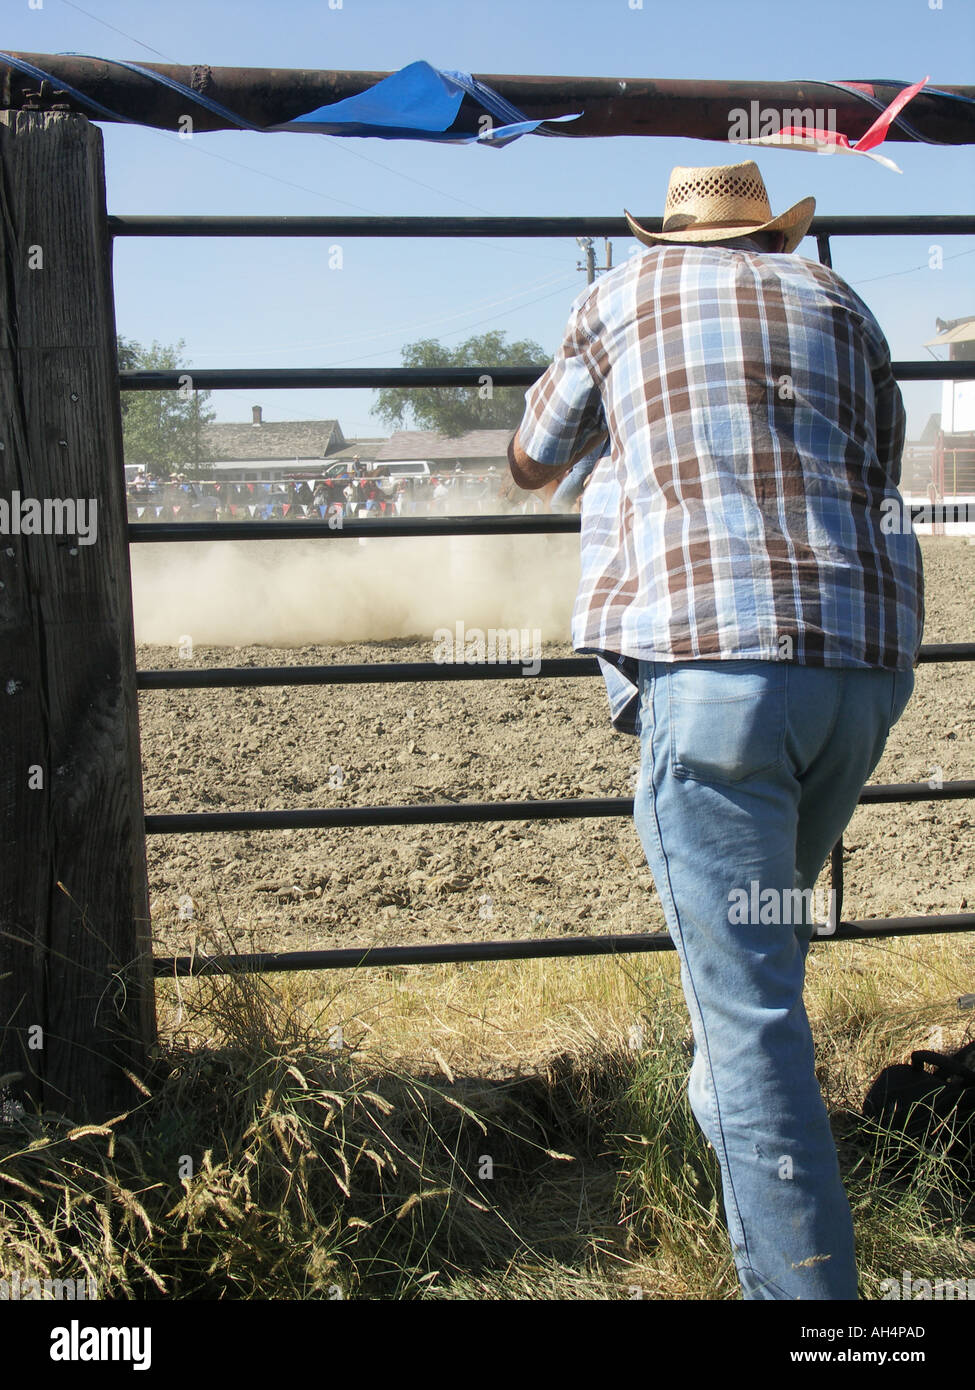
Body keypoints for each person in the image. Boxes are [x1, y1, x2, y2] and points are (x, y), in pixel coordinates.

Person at [507, 160, 923, 1301]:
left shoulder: (619, 294)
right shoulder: (843, 300)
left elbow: (531, 460)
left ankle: (811, 1310)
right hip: (860, 667)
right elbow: (877, 462)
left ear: (670, 236)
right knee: (757, 971)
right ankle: (745, 1179)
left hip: (716, 667)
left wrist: (622, 446)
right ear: (770, 236)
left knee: (749, 1020)